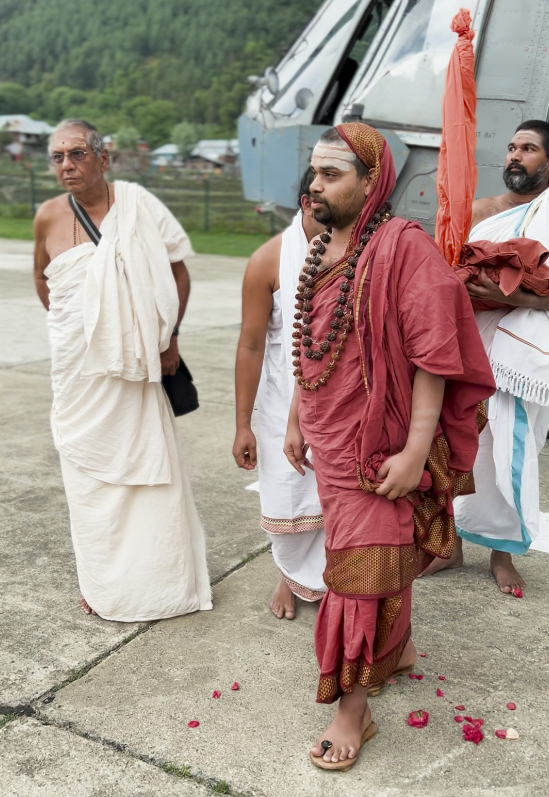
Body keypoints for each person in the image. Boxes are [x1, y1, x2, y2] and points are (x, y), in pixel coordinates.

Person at [283, 123, 495, 770]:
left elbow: (434, 356)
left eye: (330, 175)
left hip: (381, 448)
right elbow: (311, 344)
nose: (314, 185)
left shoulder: (403, 248)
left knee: (357, 575)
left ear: (373, 181)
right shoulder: (323, 247)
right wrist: (296, 416)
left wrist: (414, 449)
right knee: (373, 560)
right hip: (329, 436)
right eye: (313, 173)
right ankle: (396, 648)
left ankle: (353, 708)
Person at [33, 119, 212, 622]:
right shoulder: (47, 217)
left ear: (102, 158)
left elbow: (178, 269)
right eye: (57, 157)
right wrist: (87, 326)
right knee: (89, 485)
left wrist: (167, 336)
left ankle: (159, 588)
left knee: (148, 479)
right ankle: (103, 587)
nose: (66, 165)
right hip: (79, 376)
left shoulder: (137, 205)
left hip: (137, 370)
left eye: (76, 154)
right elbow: (45, 284)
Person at [422, 120, 549, 593]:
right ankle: (450, 547)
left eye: (529, 149)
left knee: (513, 449)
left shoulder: (548, 218)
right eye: (512, 146)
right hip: (469, 344)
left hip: (521, 360)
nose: (515, 156)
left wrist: (515, 297)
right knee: (459, 444)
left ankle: (502, 554)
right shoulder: (478, 213)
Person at [233, 169, 327, 619]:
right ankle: (289, 576)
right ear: (307, 204)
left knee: (341, 503)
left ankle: (340, 583)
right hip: (279, 403)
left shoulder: (362, 251)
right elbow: (250, 345)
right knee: (288, 502)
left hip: (343, 404)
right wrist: (241, 425)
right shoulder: (268, 260)